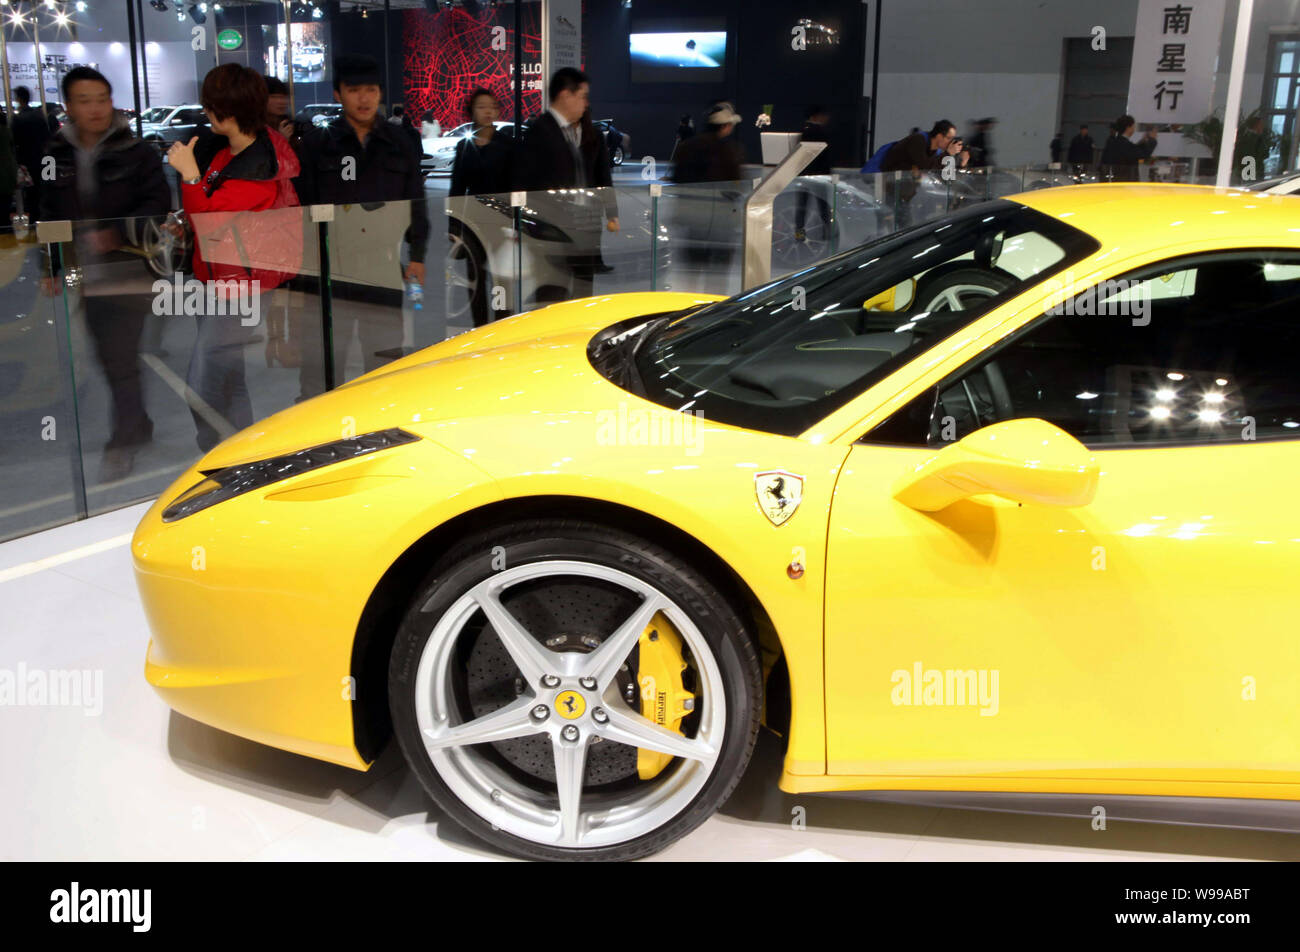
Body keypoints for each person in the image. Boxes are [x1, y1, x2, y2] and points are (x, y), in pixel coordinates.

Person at [39, 67, 169, 481]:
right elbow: (48, 213)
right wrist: (51, 264)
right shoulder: (53, 154)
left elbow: (157, 203)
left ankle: (124, 439)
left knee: (119, 356)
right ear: (68, 106)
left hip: (129, 268)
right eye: (84, 100)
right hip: (85, 273)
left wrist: (119, 230)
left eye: (102, 99)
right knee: (107, 355)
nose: (95, 109)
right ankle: (139, 424)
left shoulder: (136, 151)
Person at [166, 64, 302, 453]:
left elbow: (212, 220)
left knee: (203, 381)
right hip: (217, 278)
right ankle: (240, 458)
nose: (206, 113)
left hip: (241, 287)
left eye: (210, 106)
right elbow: (209, 213)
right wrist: (184, 217)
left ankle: (215, 461)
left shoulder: (258, 166)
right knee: (227, 377)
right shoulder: (233, 154)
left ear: (224, 111)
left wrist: (191, 180)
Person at [293, 54, 428, 395]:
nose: (364, 98)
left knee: (384, 364)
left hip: (381, 269)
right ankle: (317, 434)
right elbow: (301, 213)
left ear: (381, 93)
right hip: (329, 273)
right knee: (321, 366)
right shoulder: (315, 145)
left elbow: (417, 202)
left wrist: (418, 256)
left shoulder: (400, 143)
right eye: (354, 90)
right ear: (338, 94)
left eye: (371, 89)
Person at [514, 67, 619, 302]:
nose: (585, 103)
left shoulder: (581, 134)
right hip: (554, 233)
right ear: (565, 96)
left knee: (583, 294)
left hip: (584, 227)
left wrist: (610, 212)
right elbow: (525, 184)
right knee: (553, 297)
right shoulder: (541, 132)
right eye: (582, 96)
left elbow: (601, 176)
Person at [880, 119, 969, 225]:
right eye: (949, 138)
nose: (950, 142)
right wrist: (948, 153)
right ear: (939, 136)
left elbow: (942, 172)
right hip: (891, 192)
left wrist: (962, 163)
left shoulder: (935, 150)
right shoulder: (918, 141)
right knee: (896, 229)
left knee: (905, 227)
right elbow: (925, 166)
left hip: (905, 195)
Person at [668, 101, 743, 185]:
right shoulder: (727, 151)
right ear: (724, 126)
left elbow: (678, 177)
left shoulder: (686, 146)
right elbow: (734, 181)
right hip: (718, 196)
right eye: (730, 125)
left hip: (687, 196)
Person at [12, 86, 52, 219]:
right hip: (45, 159)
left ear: (18, 98)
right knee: (46, 190)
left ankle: (35, 220)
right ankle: (47, 218)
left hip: (27, 161)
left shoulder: (18, 119)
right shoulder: (39, 116)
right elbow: (47, 137)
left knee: (31, 193)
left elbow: (15, 141)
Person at [1099, 115, 1156, 182]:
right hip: (1124, 180)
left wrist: (1142, 142)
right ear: (1128, 127)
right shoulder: (1124, 144)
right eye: (1133, 126)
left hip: (1112, 179)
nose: (1134, 129)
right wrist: (1152, 140)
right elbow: (1142, 154)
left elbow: (1133, 150)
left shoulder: (1113, 142)